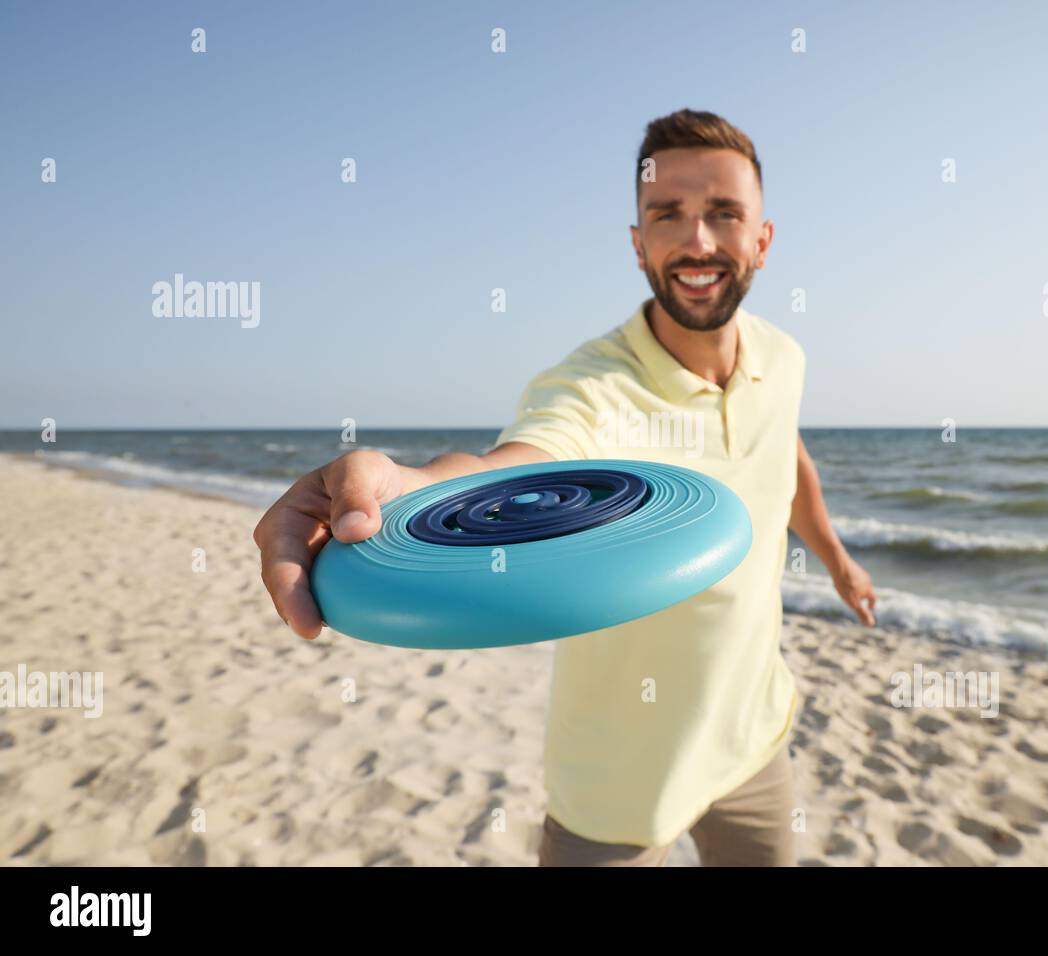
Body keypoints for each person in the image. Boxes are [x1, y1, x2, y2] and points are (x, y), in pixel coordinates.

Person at [253, 108, 878, 866]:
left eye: (724, 213)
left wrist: (838, 561)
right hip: (616, 783)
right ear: (637, 243)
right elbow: (521, 459)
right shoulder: (592, 386)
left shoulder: (783, 357)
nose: (699, 240)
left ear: (763, 240)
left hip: (754, 741)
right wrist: (414, 486)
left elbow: (784, 452)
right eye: (667, 215)